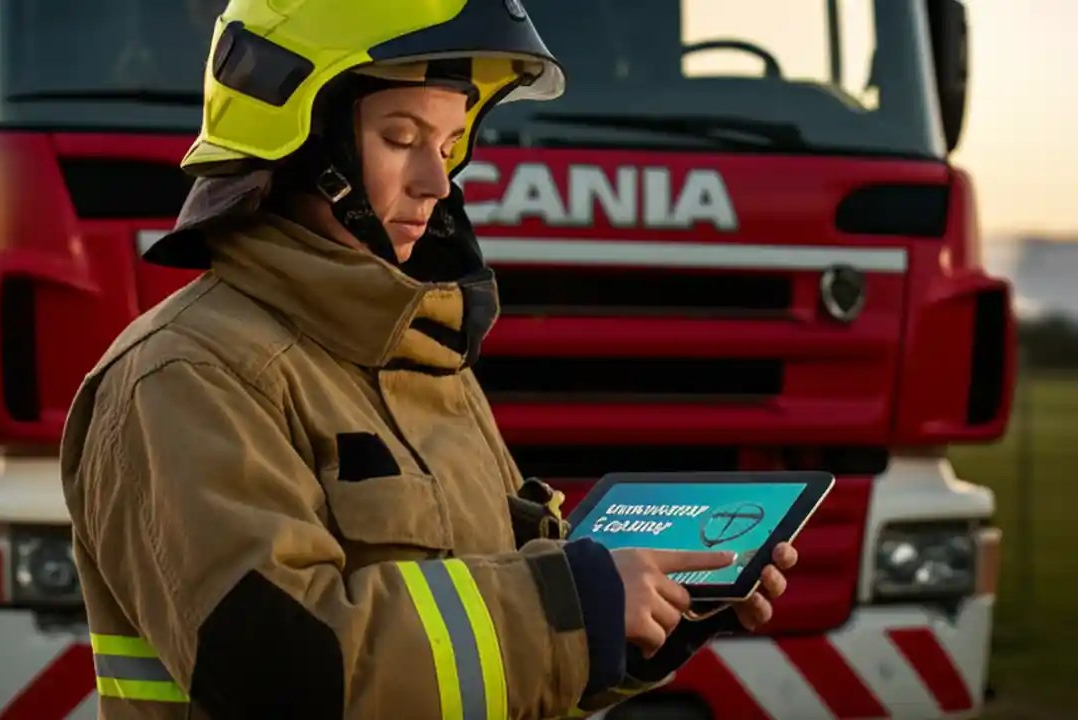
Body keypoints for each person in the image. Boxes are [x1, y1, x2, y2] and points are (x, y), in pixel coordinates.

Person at [59, 2, 799, 718]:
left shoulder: (422, 360)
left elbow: (482, 680)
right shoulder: (186, 375)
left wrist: (635, 626)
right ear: (303, 143)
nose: (437, 183)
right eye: (401, 136)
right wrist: (578, 605)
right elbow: (285, 671)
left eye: (447, 147)